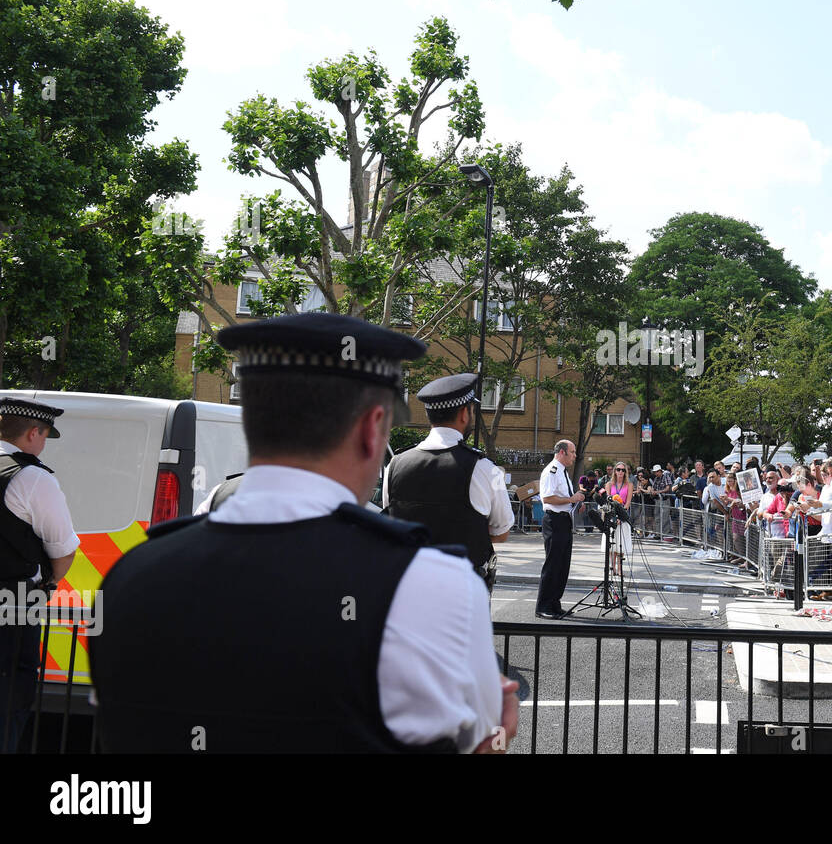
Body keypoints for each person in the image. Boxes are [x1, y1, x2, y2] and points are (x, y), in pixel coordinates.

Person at [90, 313, 516, 753]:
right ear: (372, 430)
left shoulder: (127, 578)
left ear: (252, 421)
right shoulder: (436, 586)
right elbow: (476, 740)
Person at [383, 372, 513, 591]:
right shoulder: (484, 469)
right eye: (472, 410)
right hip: (462, 589)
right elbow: (501, 532)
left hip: (407, 585)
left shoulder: (395, 464)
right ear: (464, 414)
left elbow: (392, 517)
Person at [0, 398, 79, 753]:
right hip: (12, 607)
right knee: (9, 700)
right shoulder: (31, 477)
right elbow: (62, 550)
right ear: (34, 433)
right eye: (45, 436)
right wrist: (47, 585)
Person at [537, 440, 584, 619]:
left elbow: (564, 498)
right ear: (562, 452)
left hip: (564, 521)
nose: (575, 455)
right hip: (554, 521)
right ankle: (543, 606)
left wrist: (575, 503)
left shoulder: (563, 471)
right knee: (553, 564)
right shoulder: (552, 470)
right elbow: (548, 498)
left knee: (563, 566)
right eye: (572, 452)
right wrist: (572, 500)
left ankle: (554, 603)